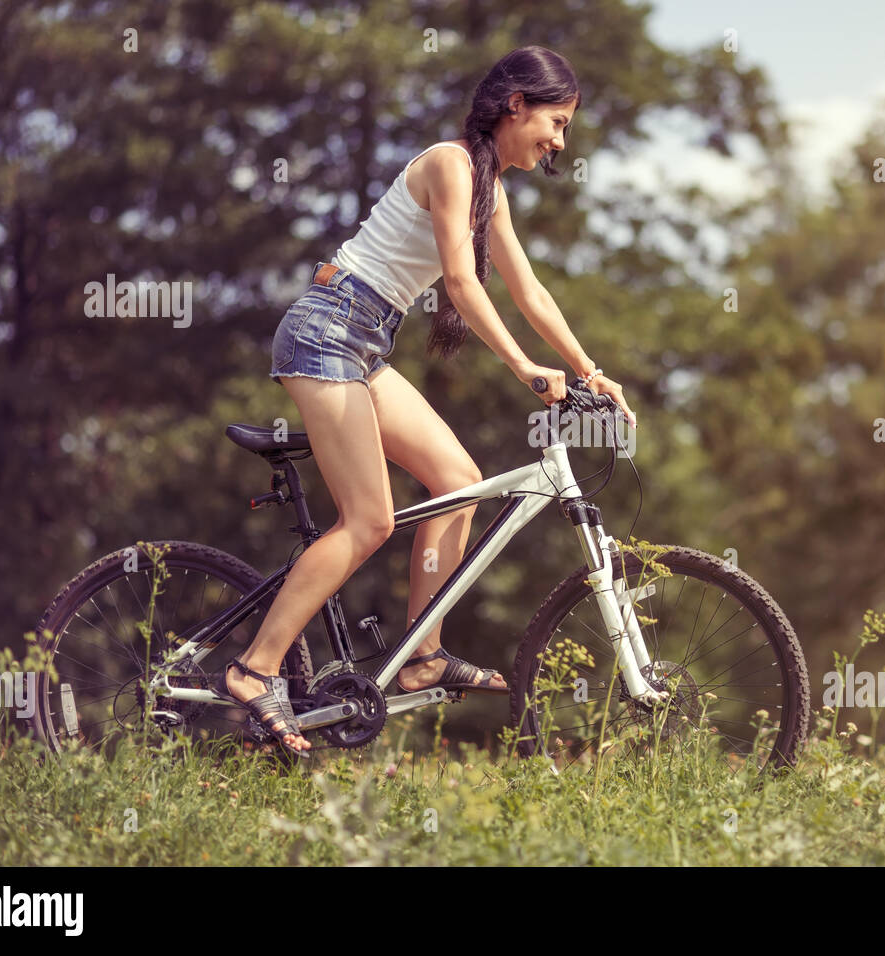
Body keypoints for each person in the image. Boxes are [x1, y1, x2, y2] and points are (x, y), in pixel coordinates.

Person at [222, 45, 638, 756]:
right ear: (517, 106)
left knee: (459, 484)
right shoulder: (449, 163)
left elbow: (529, 290)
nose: (560, 142)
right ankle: (253, 670)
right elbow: (460, 281)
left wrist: (588, 369)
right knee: (369, 521)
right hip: (326, 331)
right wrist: (523, 367)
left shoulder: (489, 189)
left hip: (363, 343)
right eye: (557, 122)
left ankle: (423, 654)